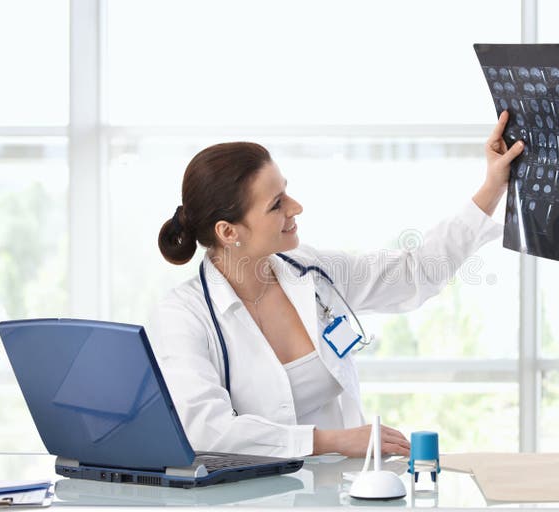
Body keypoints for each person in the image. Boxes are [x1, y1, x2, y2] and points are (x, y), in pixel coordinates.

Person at [148, 111, 524, 459]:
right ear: (229, 232)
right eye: (277, 203)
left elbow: (415, 272)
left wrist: (492, 186)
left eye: (287, 192)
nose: (296, 207)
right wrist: (334, 441)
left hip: (335, 492)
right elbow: (205, 430)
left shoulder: (312, 272)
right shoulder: (184, 317)